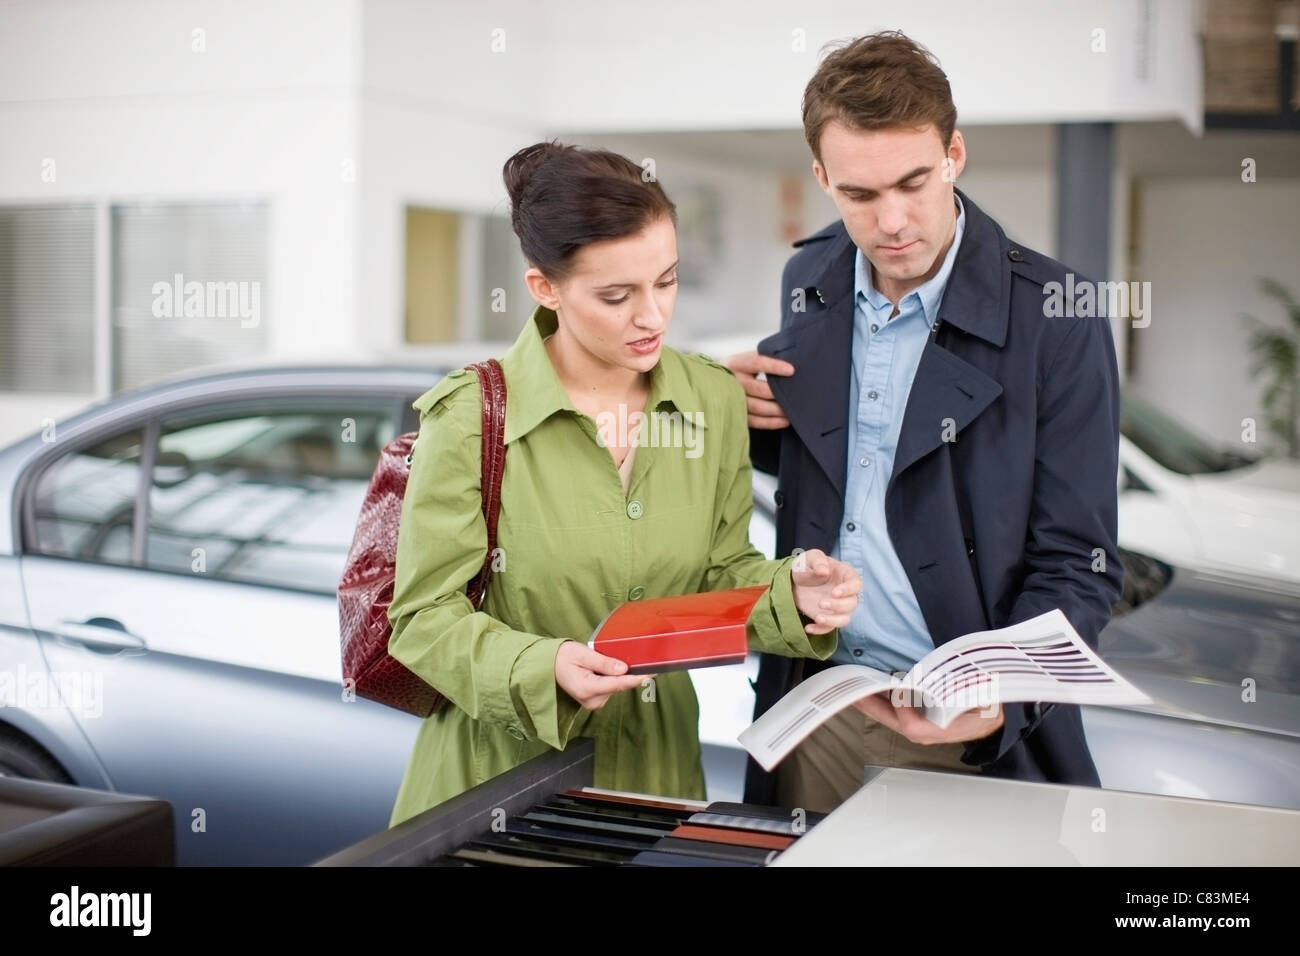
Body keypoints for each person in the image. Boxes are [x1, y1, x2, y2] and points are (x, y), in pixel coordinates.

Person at [386, 141, 862, 826]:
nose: (652, 317)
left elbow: (719, 576)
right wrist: (541, 666)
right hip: (499, 786)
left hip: (657, 773)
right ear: (545, 288)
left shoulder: (711, 399)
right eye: (617, 295)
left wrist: (790, 593)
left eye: (666, 281)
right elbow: (422, 619)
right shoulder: (472, 418)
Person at [726, 31, 1124, 812]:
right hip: (820, 708)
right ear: (822, 178)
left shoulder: (1058, 314)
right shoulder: (808, 274)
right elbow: (846, 478)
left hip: (970, 735)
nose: (892, 221)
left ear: (955, 155)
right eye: (859, 195)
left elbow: (1079, 562)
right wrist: (751, 420)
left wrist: (1001, 698)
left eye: (914, 182)